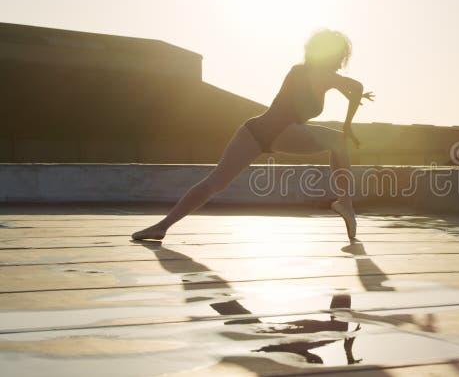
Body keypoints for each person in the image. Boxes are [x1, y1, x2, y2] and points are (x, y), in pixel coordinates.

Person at [132, 29, 372, 241]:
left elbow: (354, 90)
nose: (342, 59)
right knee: (338, 141)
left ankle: (162, 226)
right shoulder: (324, 76)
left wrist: (350, 114)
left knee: (215, 182)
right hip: (280, 132)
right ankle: (346, 204)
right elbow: (357, 88)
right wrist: (349, 123)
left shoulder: (310, 73)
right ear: (333, 54)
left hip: (255, 129)